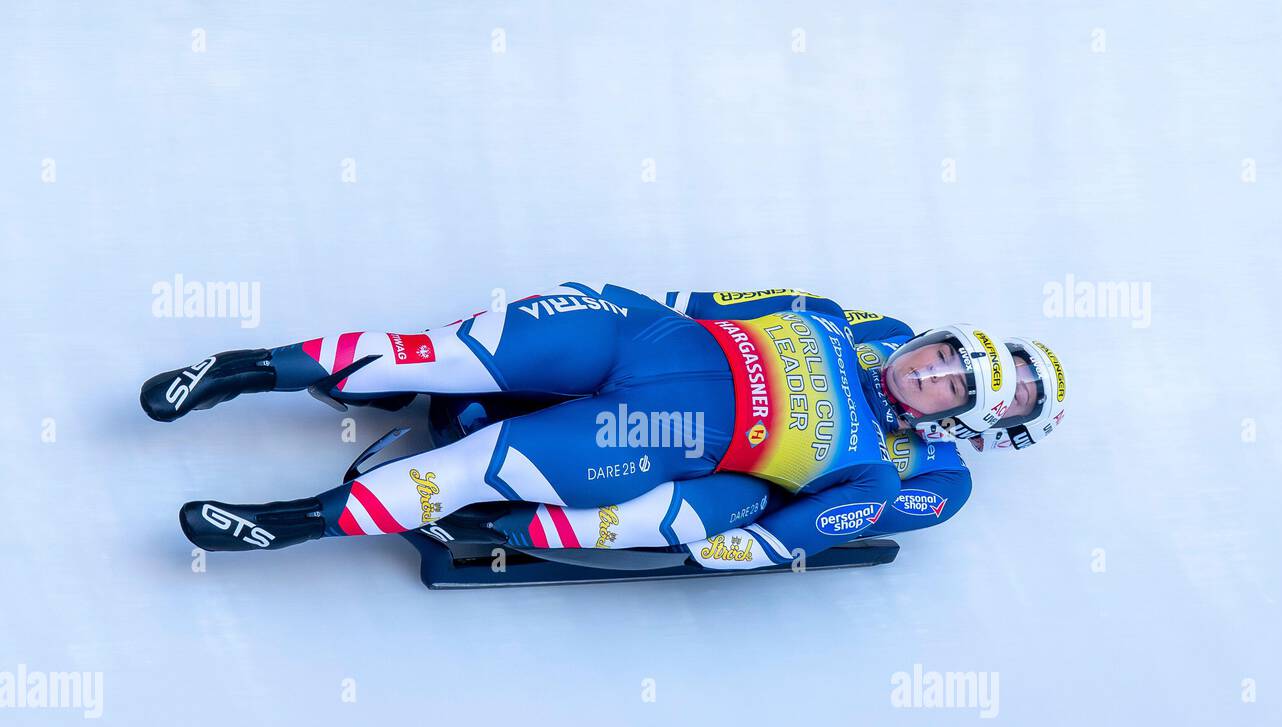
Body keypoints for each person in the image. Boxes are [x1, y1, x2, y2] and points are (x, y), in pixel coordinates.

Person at [140, 283, 1023, 570]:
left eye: (950, 387)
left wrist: (672, 529)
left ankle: (286, 524)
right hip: (637, 341)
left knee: (479, 464)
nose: (931, 370)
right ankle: (241, 371)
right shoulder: (835, 315)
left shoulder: (874, 473)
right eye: (944, 353)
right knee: (440, 355)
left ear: (953, 420)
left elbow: (769, 541)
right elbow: (700, 300)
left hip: (664, 434)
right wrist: (605, 299)